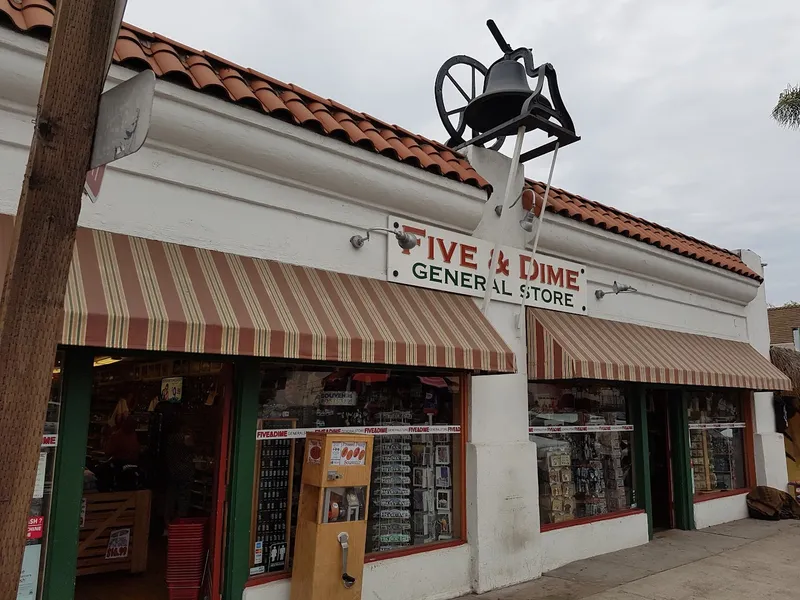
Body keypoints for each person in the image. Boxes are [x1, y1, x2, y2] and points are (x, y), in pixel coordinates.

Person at [164, 420, 195, 531]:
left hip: (173, 472)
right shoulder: (180, 438)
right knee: (183, 499)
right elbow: (190, 442)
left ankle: (168, 526)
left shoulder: (169, 439)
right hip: (184, 473)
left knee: (171, 498)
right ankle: (180, 525)